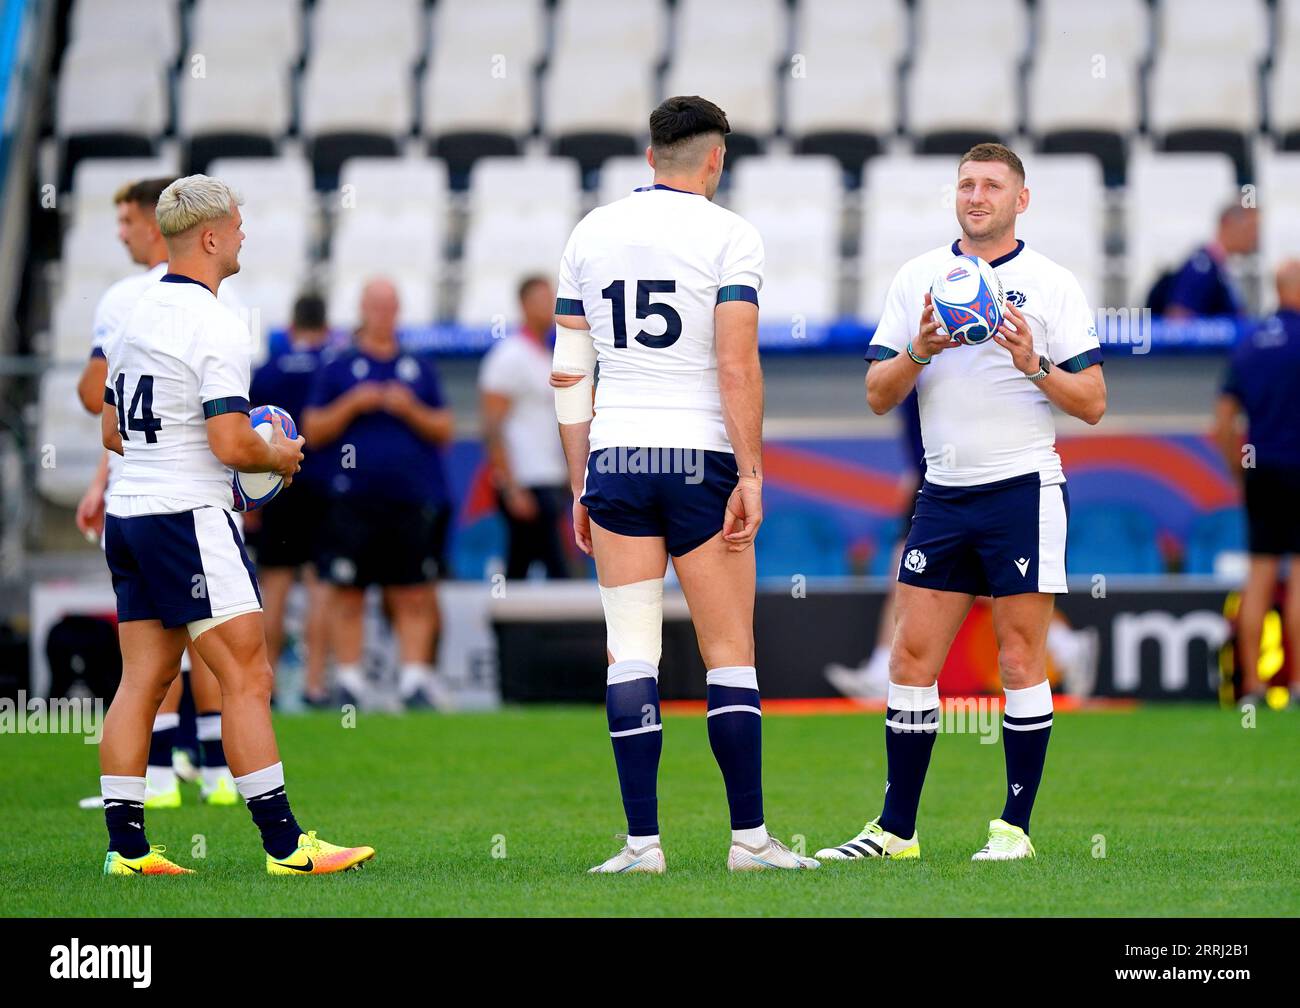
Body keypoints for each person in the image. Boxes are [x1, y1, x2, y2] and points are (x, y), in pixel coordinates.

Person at [816, 143, 1106, 864]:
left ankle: (1013, 831)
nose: (977, 196)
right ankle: (895, 832)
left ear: (1020, 199)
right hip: (943, 493)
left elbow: (1094, 403)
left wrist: (1032, 361)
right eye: (967, 184)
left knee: (1018, 659)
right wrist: (918, 350)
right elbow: (878, 395)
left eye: (992, 185)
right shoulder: (919, 277)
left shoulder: (1051, 284)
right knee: (911, 658)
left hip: (1023, 489)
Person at [552, 95, 817, 873]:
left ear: (649, 157)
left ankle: (642, 846)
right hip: (699, 459)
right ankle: (749, 842)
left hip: (620, 459)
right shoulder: (730, 234)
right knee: (729, 655)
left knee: (630, 655)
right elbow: (736, 364)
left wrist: (579, 484)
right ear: (715, 158)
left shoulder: (590, 232)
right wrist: (753, 472)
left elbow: (570, 372)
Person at [98, 174, 374, 875]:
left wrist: (180, 458)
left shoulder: (134, 311)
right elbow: (228, 443)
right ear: (212, 236)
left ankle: (126, 851)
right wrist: (276, 455)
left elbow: (110, 428)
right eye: (240, 225)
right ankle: (287, 846)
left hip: (130, 512)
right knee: (247, 675)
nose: (246, 234)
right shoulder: (216, 320)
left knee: (143, 681)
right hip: (186, 518)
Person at [73, 176, 238, 810]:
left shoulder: (127, 304)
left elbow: (104, 409)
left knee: (144, 668)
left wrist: (101, 479)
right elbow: (220, 432)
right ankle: (228, 782)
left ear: (153, 223)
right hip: (189, 498)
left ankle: (150, 796)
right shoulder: (207, 307)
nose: (121, 233)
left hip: (134, 498)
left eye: (125, 221)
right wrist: (270, 456)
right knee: (233, 657)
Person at [303, 278, 455, 710]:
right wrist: (353, 404)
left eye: (391, 306)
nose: (384, 314)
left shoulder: (418, 366)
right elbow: (312, 429)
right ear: (363, 308)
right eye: (377, 306)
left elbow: (445, 428)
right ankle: (349, 681)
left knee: (412, 591)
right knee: (349, 591)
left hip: (410, 497)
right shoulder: (338, 365)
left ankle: (412, 681)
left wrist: (411, 410)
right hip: (353, 497)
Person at [1212, 259, 1300, 710]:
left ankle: (1251, 687)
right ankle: (1297, 684)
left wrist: (1237, 472)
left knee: (1260, 576)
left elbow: (1223, 423)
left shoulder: (1250, 344)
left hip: (1262, 470)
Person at [245, 293, 332, 706]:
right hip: (320, 486)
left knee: (274, 588)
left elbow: (248, 428)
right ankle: (315, 685)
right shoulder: (332, 363)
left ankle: (270, 685)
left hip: (276, 486)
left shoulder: (268, 370)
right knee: (319, 586)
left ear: (291, 325)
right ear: (325, 325)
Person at [479, 275, 570, 579]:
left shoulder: (544, 356)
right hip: (527, 482)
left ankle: (508, 623)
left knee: (525, 564)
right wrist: (510, 487)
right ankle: (511, 623)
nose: (549, 308)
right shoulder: (509, 357)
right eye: (542, 300)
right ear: (524, 305)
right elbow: (492, 426)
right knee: (553, 569)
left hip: (547, 479)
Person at [1151, 204, 1257, 318]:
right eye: (1250, 229)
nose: (1254, 237)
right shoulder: (1201, 267)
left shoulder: (1219, 267)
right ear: (1229, 224)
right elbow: (1178, 318)